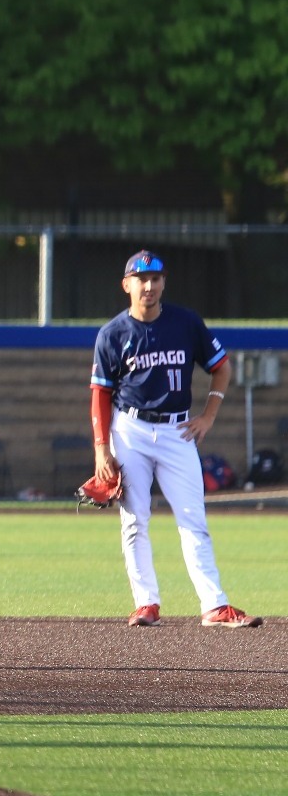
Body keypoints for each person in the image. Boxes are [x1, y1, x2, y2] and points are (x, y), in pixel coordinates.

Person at [90, 250, 261, 628]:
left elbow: (221, 368)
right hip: (130, 430)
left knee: (192, 517)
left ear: (164, 283)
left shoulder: (186, 323)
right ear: (127, 285)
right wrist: (101, 448)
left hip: (177, 430)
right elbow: (100, 393)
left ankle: (214, 606)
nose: (149, 286)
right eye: (141, 279)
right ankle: (145, 603)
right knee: (135, 519)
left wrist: (208, 416)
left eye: (156, 279)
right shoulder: (113, 334)